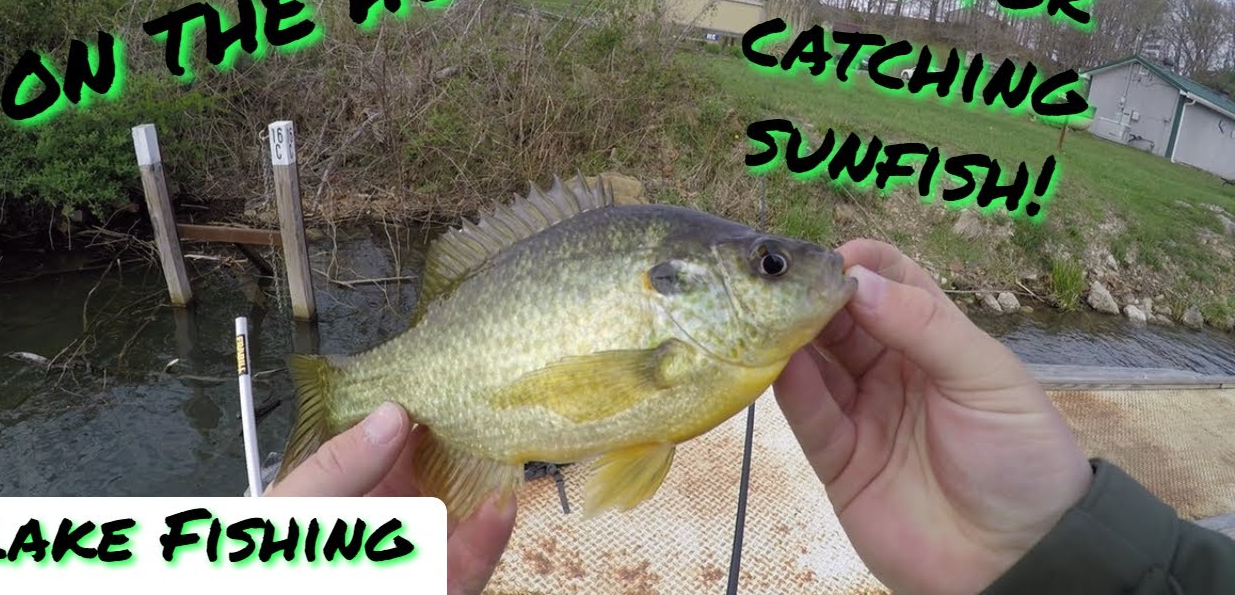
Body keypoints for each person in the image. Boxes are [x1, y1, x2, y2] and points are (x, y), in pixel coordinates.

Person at [267, 238, 1235, 593]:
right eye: (768, 267)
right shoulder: (675, 346)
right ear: (675, 287)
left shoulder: (719, 356)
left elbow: (611, 415)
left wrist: (1030, 547)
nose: (801, 272)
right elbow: (596, 402)